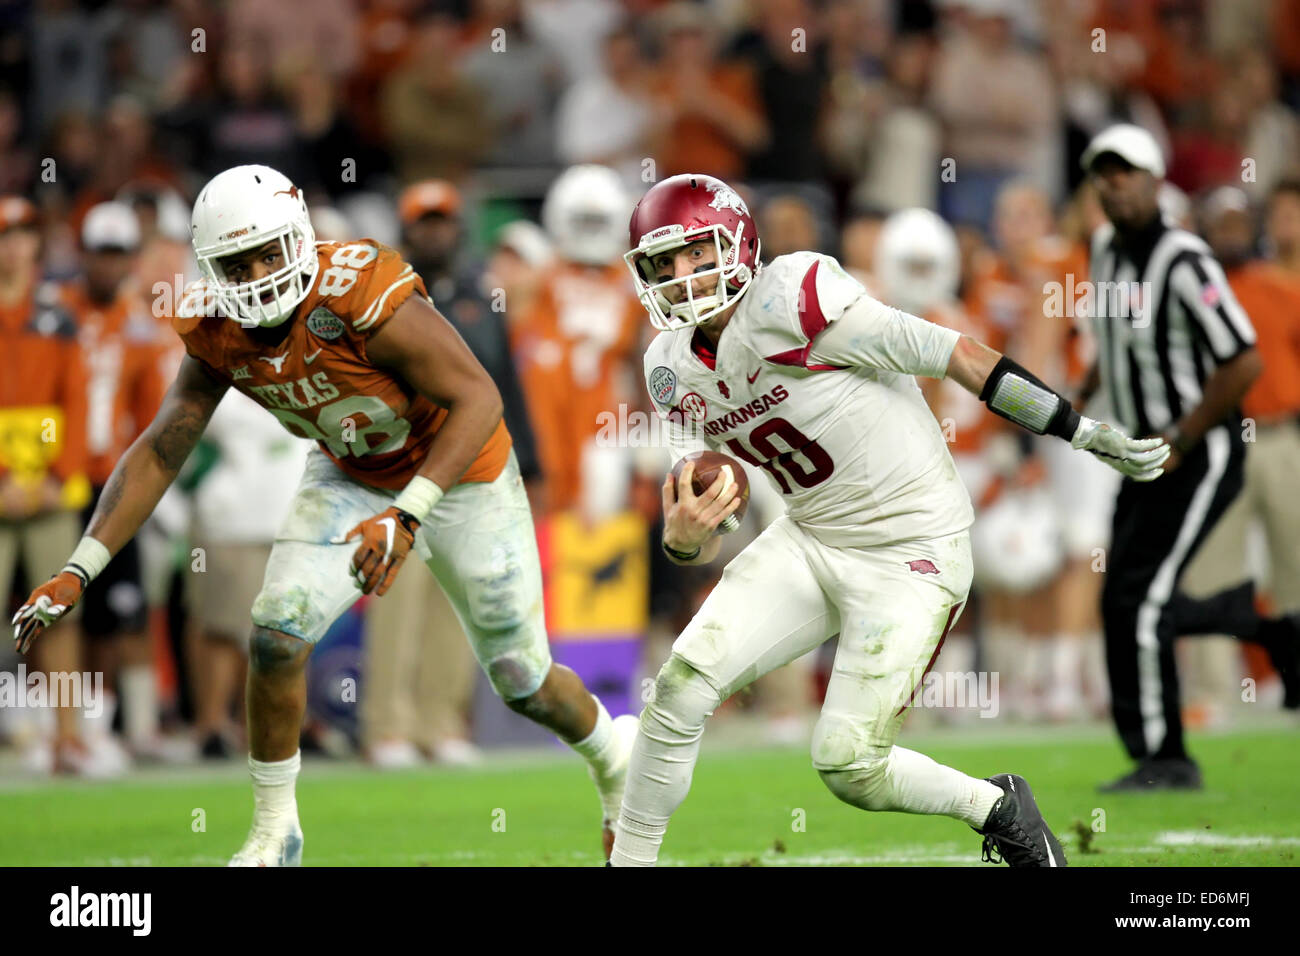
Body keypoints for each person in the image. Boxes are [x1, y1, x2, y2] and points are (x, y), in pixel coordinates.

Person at [12, 165, 637, 865]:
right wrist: (80, 565)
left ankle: (616, 758)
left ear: (300, 239)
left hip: (460, 472)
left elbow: (479, 398)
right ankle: (276, 829)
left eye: (268, 254)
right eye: (236, 263)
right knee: (276, 634)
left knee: (523, 681)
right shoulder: (215, 324)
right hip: (350, 470)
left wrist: (409, 514)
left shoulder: (360, 291)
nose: (255, 275)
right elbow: (162, 448)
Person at [610, 173, 1171, 868]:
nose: (680, 277)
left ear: (737, 243)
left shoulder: (798, 296)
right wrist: (685, 539)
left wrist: (1078, 429)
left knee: (848, 765)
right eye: (661, 265)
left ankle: (999, 808)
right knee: (678, 689)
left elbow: (955, 354)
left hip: (912, 547)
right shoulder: (669, 365)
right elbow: (702, 507)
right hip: (811, 536)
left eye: (694, 253)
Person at [1076, 125, 1299, 790]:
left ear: (1154, 181)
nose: (1115, 184)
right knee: (1124, 597)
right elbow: (1118, 344)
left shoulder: (1185, 259)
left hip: (1201, 448)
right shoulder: (1104, 250)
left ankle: (1166, 755)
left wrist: (1185, 436)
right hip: (1143, 451)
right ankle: (1266, 628)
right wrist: (1085, 392)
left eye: (1127, 172)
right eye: (1103, 173)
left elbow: (1243, 361)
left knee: (1140, 597)